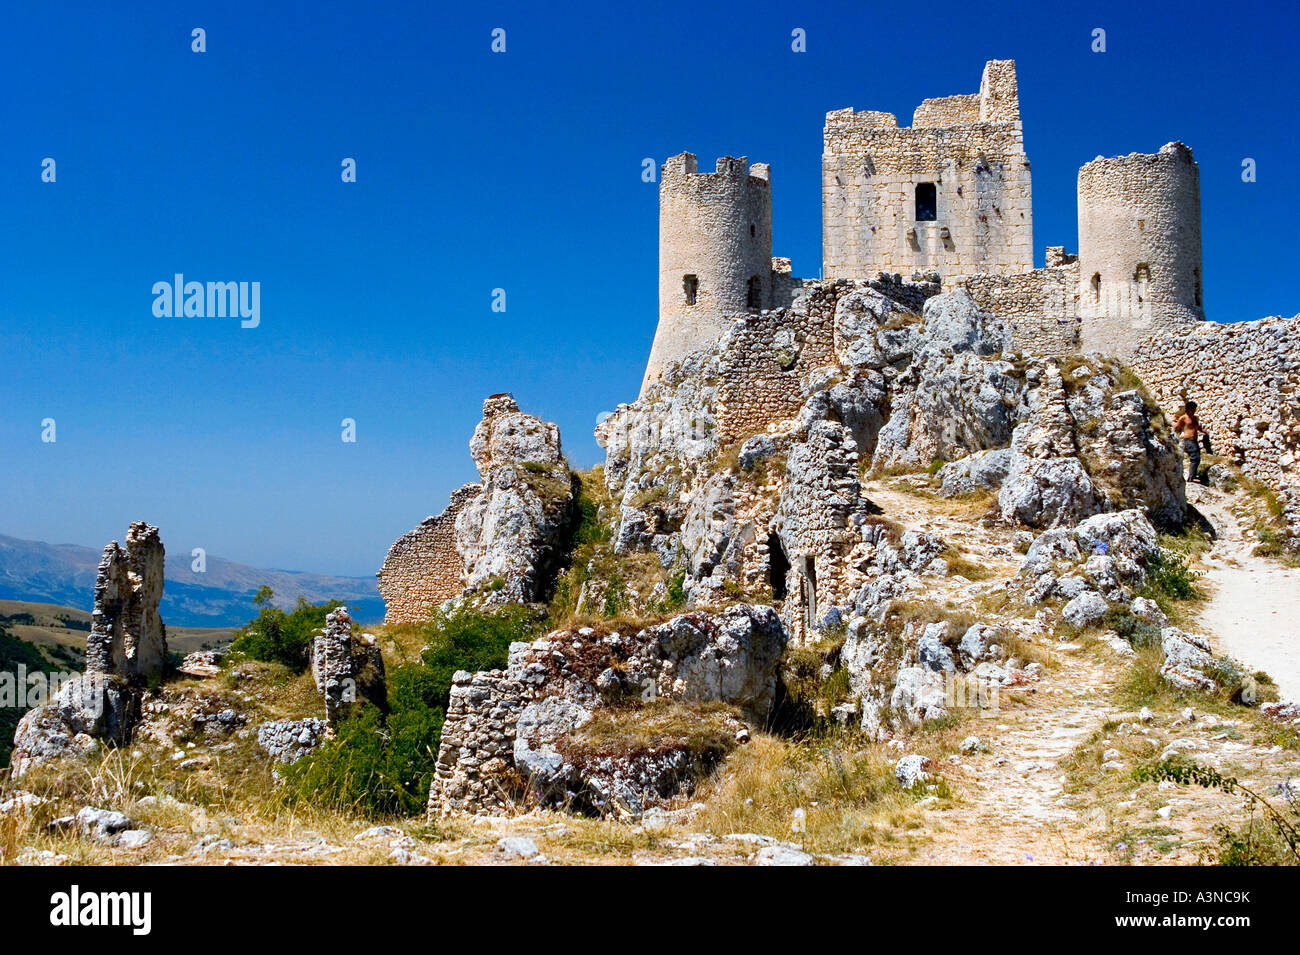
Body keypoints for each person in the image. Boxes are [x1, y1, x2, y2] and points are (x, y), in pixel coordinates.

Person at [1173, 400, 1207, 484]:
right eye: (1192, 409)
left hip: (1194, 440)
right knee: (1194, 458)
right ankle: (1191, 478)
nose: (1194, 411)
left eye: (1195, 409)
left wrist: (1204, 431)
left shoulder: (1195, 418)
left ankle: (1192, 476)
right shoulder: (1183, 418)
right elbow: (1176, 427)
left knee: (1197, 458)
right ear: (1188, 409)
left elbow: (1197, 427)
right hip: (1188, 440)